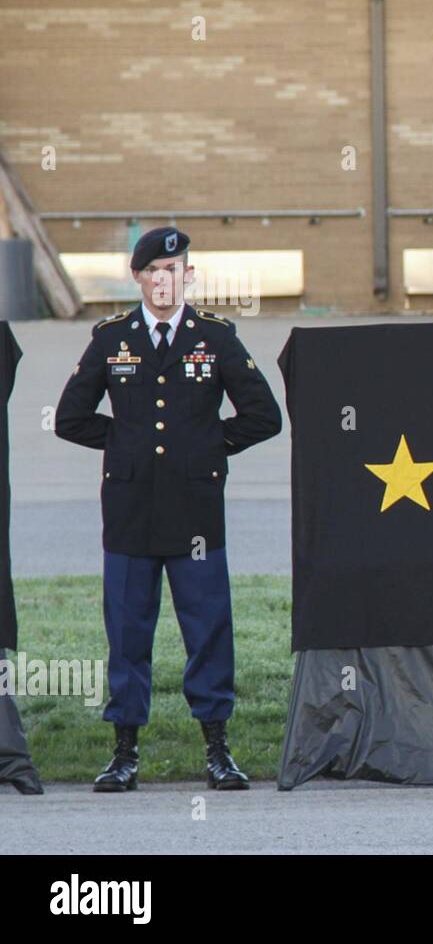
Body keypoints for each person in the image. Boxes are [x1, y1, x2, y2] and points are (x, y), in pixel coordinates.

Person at [55, 227, 281, 792]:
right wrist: (126, 440)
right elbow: (70, 417)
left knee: (208, 627)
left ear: (189, 276)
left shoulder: (215, 337)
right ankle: (124, 752)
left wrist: (207, 444)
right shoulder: (112, 338)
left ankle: (218, 749)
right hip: (130, 510)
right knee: (129, 630)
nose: (164, 280)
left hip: (195, 511)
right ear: (138, 277)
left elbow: (264, 415)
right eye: (154, 271)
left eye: (174, 270)